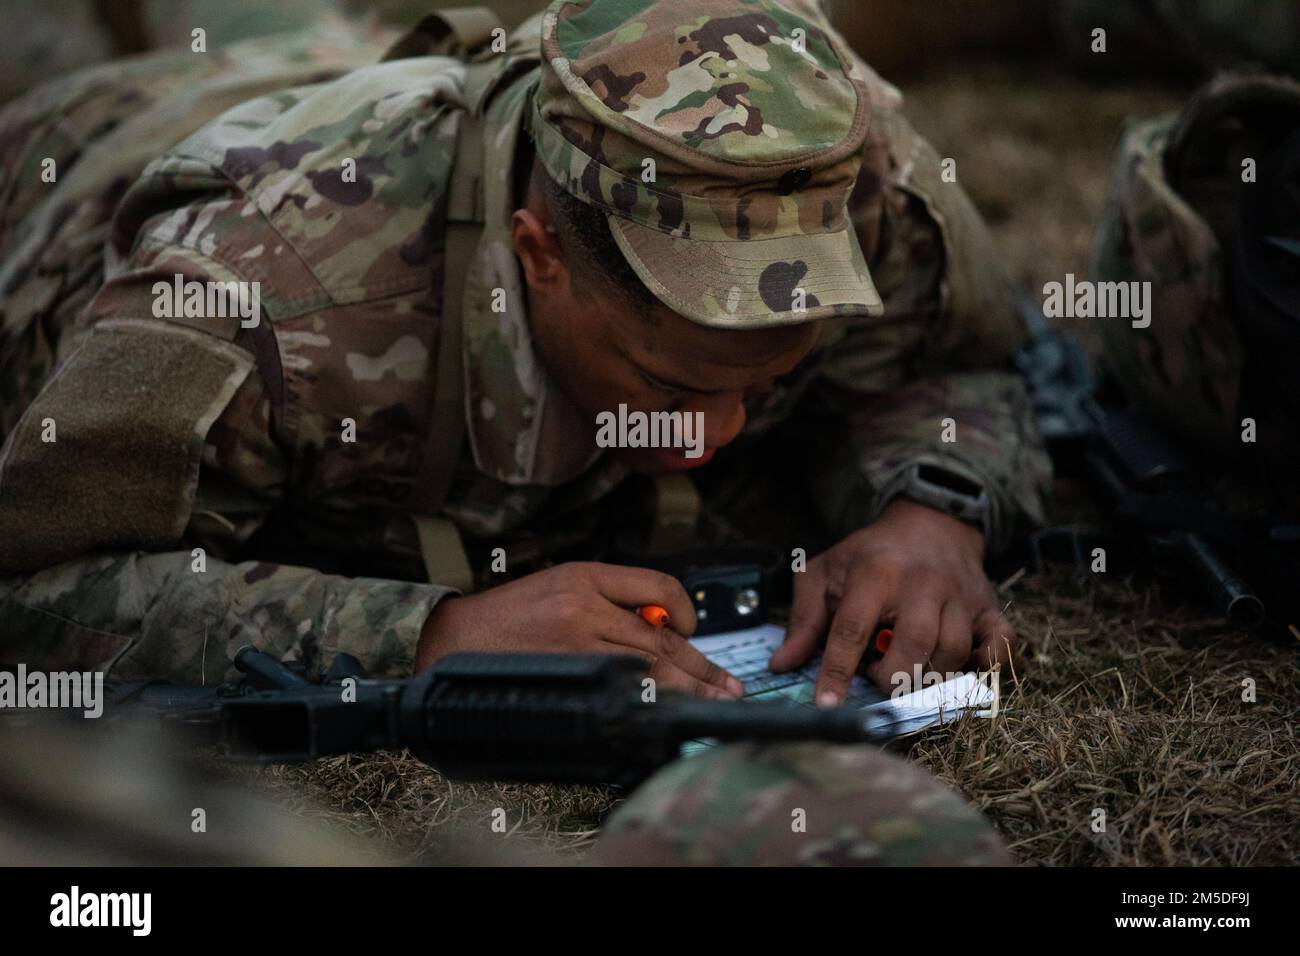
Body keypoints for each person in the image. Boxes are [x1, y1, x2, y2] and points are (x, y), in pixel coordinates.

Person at [0, 0, 1044, 865]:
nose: (713, 438)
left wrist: (932, 505)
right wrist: (430, 634)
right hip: (82, 143)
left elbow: (960, 360)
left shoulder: (830, 188)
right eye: (669, 382)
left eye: (766, 381)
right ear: (537, 255)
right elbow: (36, 591)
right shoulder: (263, 292)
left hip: (343, 54)